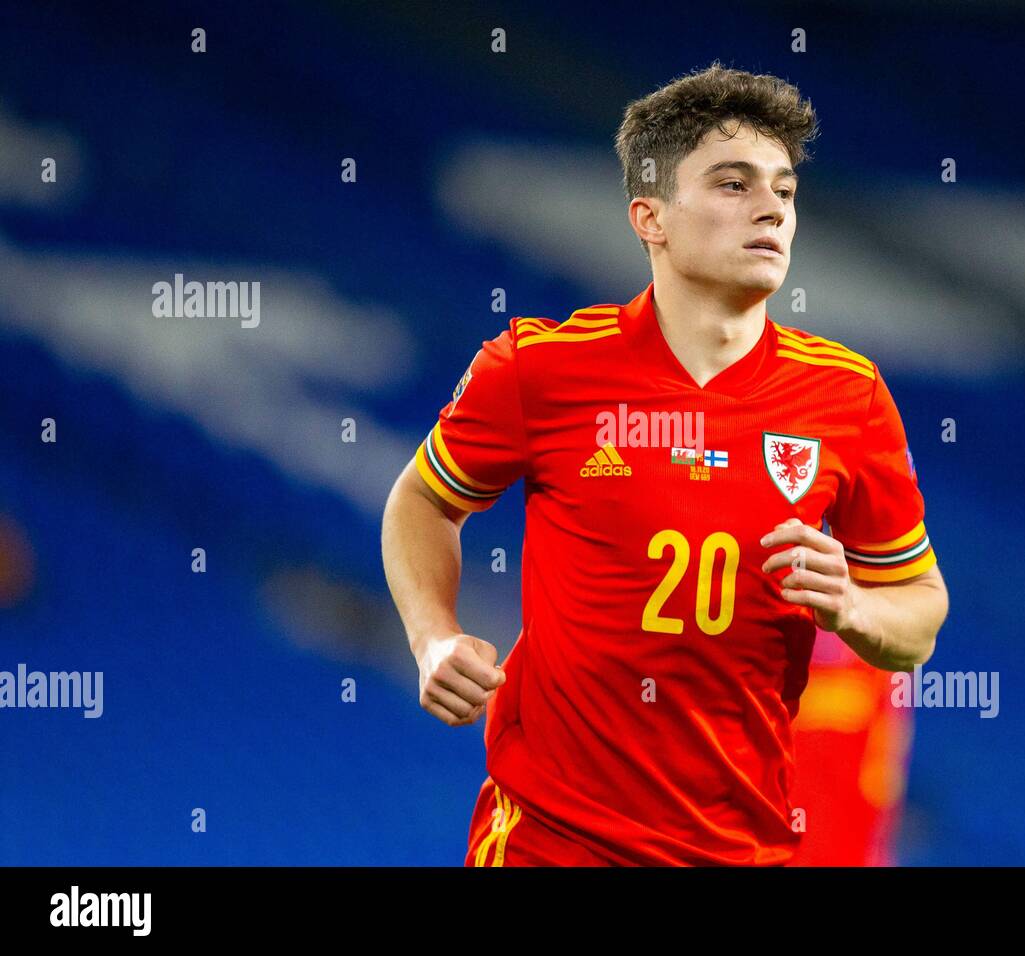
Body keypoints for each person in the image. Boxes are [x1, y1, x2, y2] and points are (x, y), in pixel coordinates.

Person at [381, 62, 948, 866]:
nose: (772, 211)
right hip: (551, 842)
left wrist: (855, 608)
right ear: (651, 218)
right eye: (732, 184)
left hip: (740, 850)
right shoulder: (540, 369)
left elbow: (918, 612)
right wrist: (433, 637)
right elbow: (422, 502)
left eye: (784, 191)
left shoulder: (847, 397)